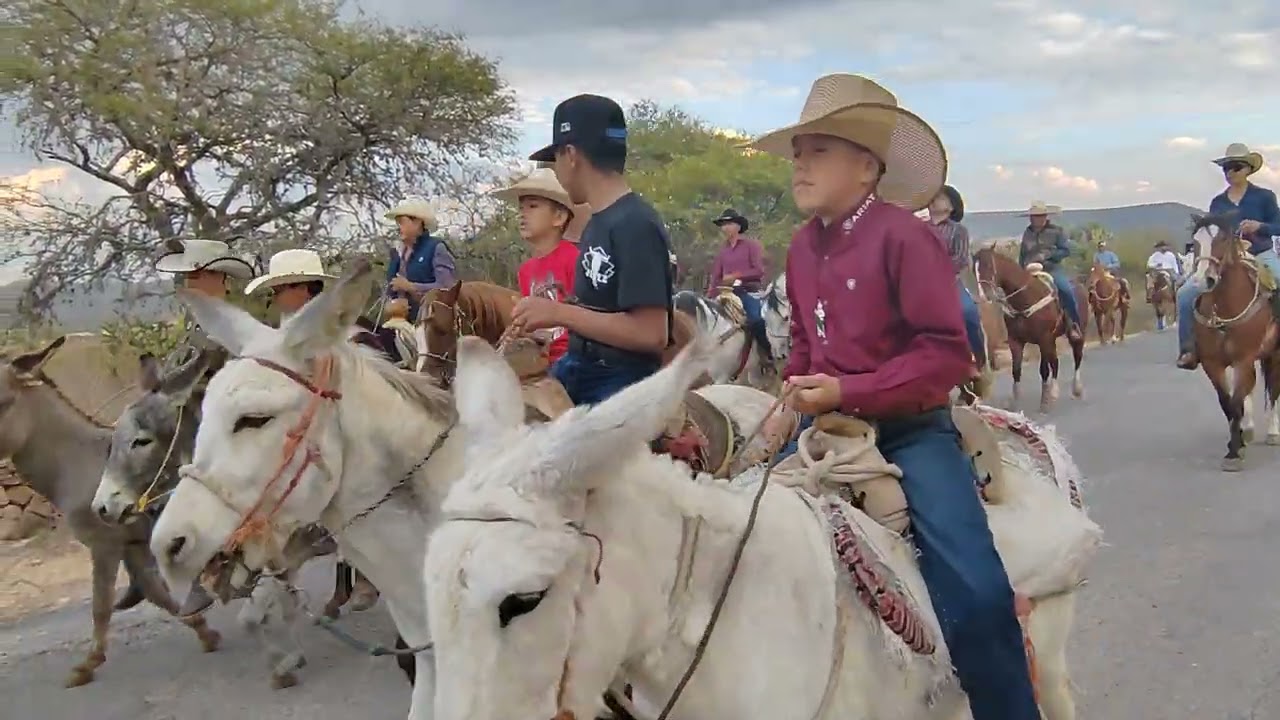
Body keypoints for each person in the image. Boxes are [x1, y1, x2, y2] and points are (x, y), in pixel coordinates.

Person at [755, 73, 1039, 719]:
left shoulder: (903, 237)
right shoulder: (801, 248)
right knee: (734, 541)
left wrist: (849, 388)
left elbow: (944, 354)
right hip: (823, 432)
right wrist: (789, 400)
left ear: (865, 166)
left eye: (818, 150)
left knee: (975, 590)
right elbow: (804, 342)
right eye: (798, 150)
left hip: (909, 434)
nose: (799, 163)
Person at [244, 248, 391, 611]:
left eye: (283, 288)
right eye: (276, 290)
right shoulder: (282, 343)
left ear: (305, 289)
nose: (277, 297)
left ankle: (370, 575)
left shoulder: (353, 337)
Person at [513, 93, 674, 406]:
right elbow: (599, 309)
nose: (557, 171)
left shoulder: (635, 224)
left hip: (619, 381)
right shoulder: (598, 223)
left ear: (571, 155)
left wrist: (559, 312)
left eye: (556, 159)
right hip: (580, 367)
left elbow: (652, 333)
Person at [151, 237, 257, 613]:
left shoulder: (232, 327)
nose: (188, 284)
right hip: (190, 422)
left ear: (217, 278)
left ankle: (217, 567)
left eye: (195, 276)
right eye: (186, 277)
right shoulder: (191, 329)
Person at [1176, 143, 1280, 369]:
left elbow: (1278, 225)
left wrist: (1259, 226)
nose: (1230, 172)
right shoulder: (1218, 203)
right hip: (1225, 260)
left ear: (1247, 169)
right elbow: (1211, 234)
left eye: (1235, 167)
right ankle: (1189, 349)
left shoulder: (1264, 197)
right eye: (1226, 168)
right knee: (1184, 294)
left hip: (1260, 254)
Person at [494, 168, 580, 363]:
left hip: (569, 359)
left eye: (532, 206)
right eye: (521, 208)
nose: (523, 215)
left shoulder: (574, 260)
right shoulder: (526, 270)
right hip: (539, 357)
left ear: (559, 217)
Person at [926, 185, 986, 379]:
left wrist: (936, 270)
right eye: (933, 197)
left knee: (968, 312)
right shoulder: (919, 228)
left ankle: (977, 360)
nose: (934, 200)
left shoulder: (958, 231)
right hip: (921, 284)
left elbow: (960, 259)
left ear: (951, 207)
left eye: (940, 198)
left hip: (949, 283)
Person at [706, 208, 774, 365]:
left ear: (738, 226)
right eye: (723, 224)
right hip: (725, 293)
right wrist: (709, 296)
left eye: (729, 223)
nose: (725, 227)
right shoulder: (723, 251)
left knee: (756, 320)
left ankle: (767, 355)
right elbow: (716, 276)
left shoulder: (751, 246)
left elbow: (758, 271)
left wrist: (736, 276)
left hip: (747, 291)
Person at [382, 198, 457, 323]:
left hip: (431, 323)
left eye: (402, 222)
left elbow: (446, 288)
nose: (398, 228)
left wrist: (411, 287)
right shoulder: (397, 253)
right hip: (400, 321)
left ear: (417, 222)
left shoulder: (436, 248)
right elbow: (391, 287)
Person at [1017, 201, 1082, 340]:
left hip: (1051, 269)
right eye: (1033, 216)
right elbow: (1022, 254)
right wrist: (1021, 269)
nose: (1035, 219)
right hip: (1029, 270)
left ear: (1045, 216)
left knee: (1065, 290)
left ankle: (1074, 325)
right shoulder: (1027, 233)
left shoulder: (1056, 231)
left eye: (1039, 216)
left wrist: (1048, 256)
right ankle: (1016, 328)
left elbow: (1065, 251)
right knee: (1014, 292)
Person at [1091, 238, 1131, 302]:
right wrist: (1096, 268)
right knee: (1092, 284)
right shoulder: (1096, 255)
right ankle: (1092, 300)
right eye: (1099, 247)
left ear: (1105, 247)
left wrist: (1108, 266)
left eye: (1102, 246)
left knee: (1122, 282)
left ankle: (1123, 297)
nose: (1101, 248)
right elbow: (1095, 264)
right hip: (1100, 273)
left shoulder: (1111, 254)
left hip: (1111, 272)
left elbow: (1117, 263)